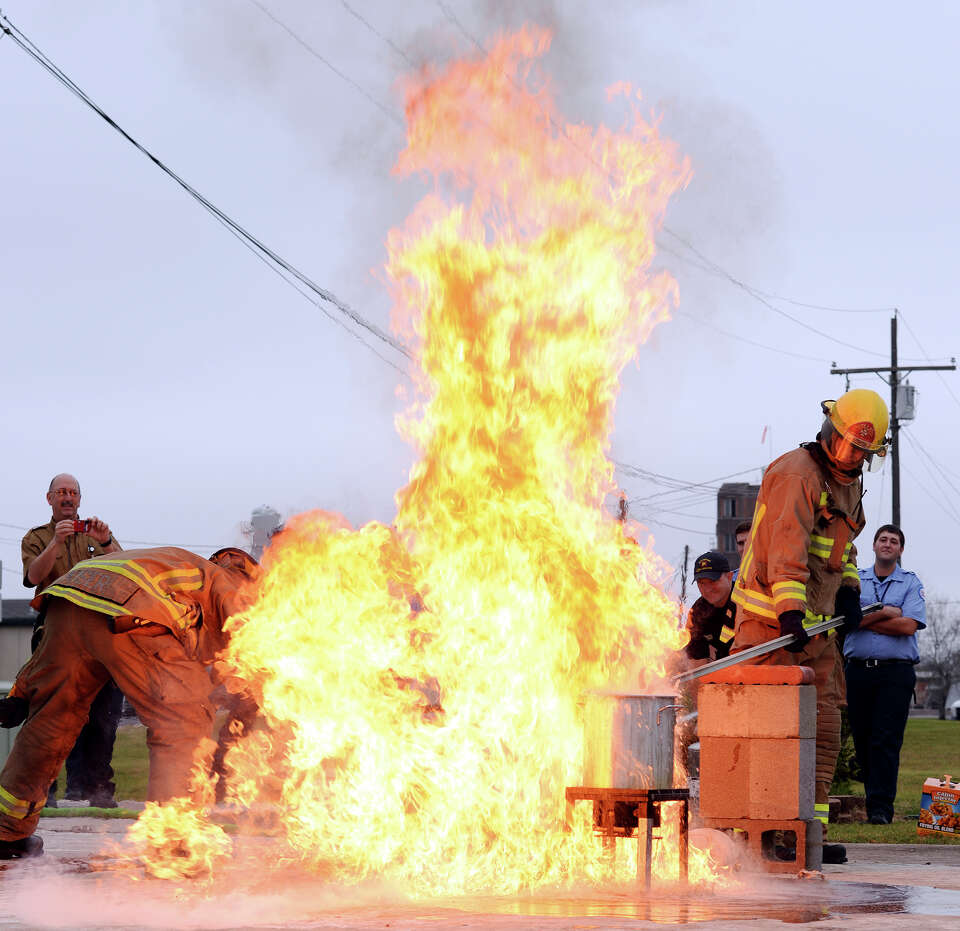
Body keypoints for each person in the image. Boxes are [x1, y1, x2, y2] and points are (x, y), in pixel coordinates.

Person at [0, 546, 260, 859]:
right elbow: (253, 635)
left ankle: (7, 833)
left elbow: (45, 658)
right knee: (183, 720)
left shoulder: (173, 567)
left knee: (49, 724)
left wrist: (21, 692)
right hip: (128, 613)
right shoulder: (226, 578)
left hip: (66, 600)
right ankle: (173, 845)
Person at [731, 388, 890, 865]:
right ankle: (757, 833)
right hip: (771, 627)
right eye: (850, 448)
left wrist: (849, 588)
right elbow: (786, 550)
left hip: (816, 630)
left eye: (865, 453)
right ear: (831, 432)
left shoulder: (848, 481)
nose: (856, 459)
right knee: (768, 733)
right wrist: (791, 612)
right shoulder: (795, 474)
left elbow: (844, 546)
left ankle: (806, 834)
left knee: (822, 732)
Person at [20, 473, 123, 808]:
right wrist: (56, 544)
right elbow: (33, 577)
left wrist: (106, 542)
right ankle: (43, 792)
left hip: (98, 635)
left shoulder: (96, 535)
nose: (67, 497)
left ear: (80, 499)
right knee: (51, 712)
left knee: (104, 713)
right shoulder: (37, 537)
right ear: (49, 498)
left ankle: (98, 789)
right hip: (55, 632)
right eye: (61, 492)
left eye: (73, 492)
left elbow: (125, 573)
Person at [844, 524, 925, 825]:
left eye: (894, 541)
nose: (888, 544)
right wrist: (886, 613)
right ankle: (871, 799)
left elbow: (907, 626)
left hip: (895, 673)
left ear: (900, 549)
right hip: (859, 672)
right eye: (883, 539)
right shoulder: (856, 581)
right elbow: (846, 623)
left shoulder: (910, 582)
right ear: (874, 546)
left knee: (886, 740)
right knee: (864, 740)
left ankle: (881, 809)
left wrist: (865, 619)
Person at [684, 551, 736, 663]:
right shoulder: (698, 612)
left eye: (713, 581)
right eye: (701, 583)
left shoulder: (746, 600)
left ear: (729, 576)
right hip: (724, 671)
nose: (707, 589)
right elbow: (694, 658)